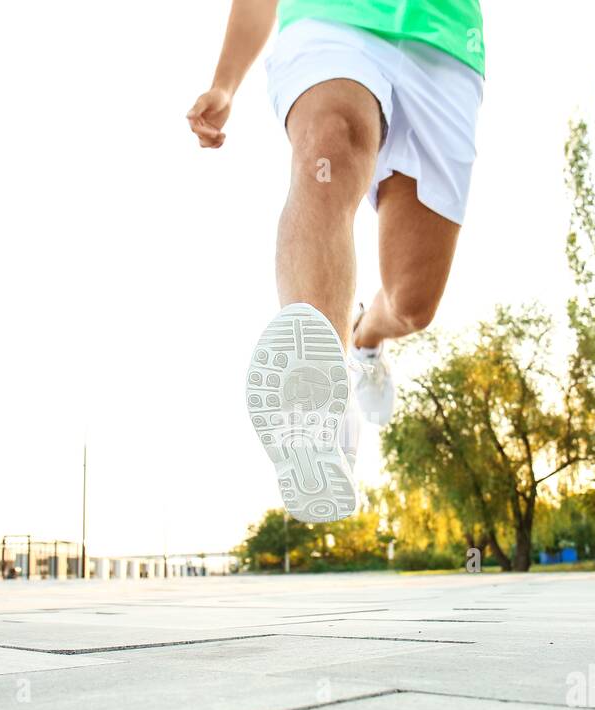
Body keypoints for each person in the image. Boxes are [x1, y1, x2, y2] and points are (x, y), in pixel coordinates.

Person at [188, 0, 484, 521]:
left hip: (444, 43)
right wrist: (226, 81)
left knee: (413, 304)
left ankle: (364, 339)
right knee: (330, 142)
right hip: (331, 20)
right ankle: (318, 409)